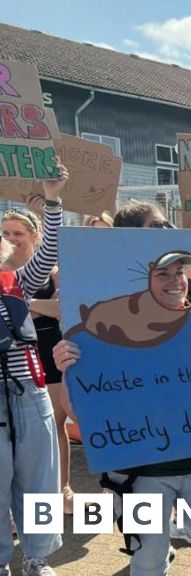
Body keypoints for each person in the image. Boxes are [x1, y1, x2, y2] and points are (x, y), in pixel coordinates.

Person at [54, 253, 191, 576]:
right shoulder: (103, 335)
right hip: (139, 476)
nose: (175, 281)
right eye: (163, 274)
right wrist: (69, 370)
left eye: (180, 272)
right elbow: (79, 413)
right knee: (148, 563)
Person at [0, 164, 67, 576]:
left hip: (27, 390)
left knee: (40, 479)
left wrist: (53, 199)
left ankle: (37, 558)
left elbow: (47, 253)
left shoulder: (16, 282)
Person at [1, 207, 72, 515]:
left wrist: (27, 304)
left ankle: (62, 490)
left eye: (18, 232)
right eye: (6, 233)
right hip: (14, 365)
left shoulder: (34, 275)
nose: (12, 239)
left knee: (52, 426)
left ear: (33, 235)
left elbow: (66, 307)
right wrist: (35, 308)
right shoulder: (7, 274)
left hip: (46, 352)